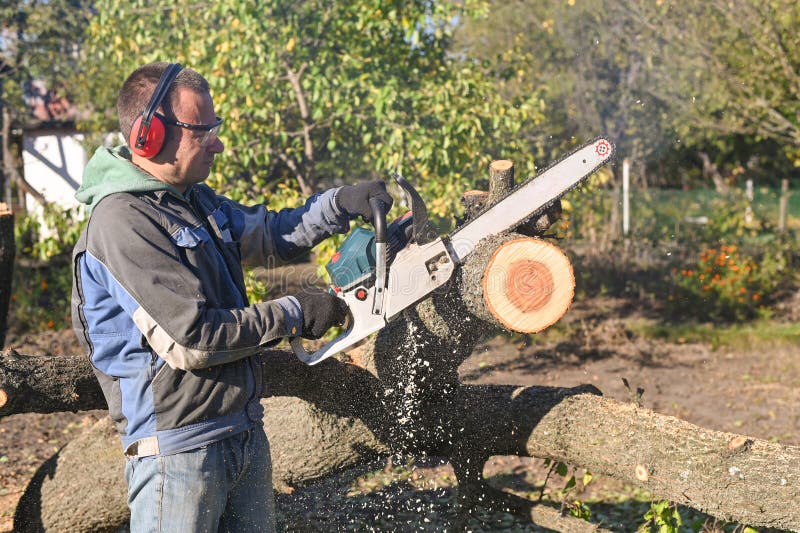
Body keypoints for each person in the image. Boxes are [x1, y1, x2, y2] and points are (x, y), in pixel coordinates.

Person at [70, 62, 392, 532]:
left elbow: (269, 234)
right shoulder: (123, 221)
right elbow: (194, 340)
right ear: (149, 135)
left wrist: (339, 204)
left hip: (240, 432)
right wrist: (295, 312)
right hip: (178, 453)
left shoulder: (193, 199)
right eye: (202, 132)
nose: (217, 143)